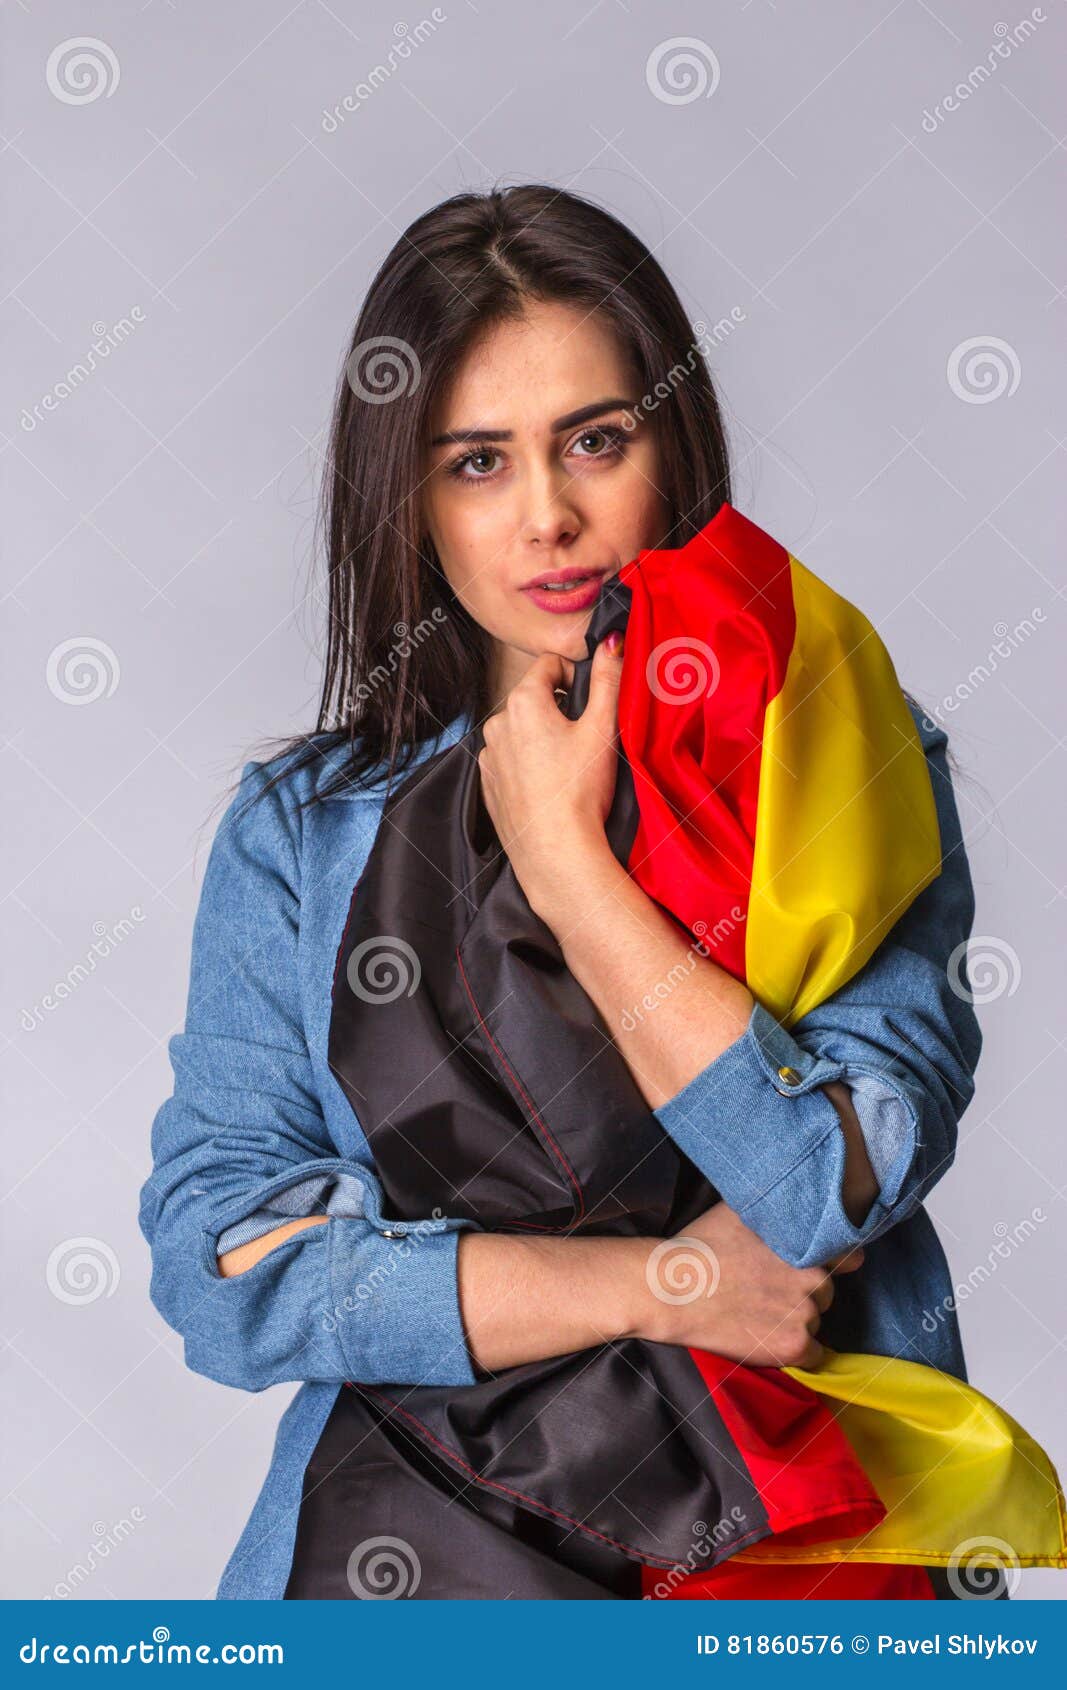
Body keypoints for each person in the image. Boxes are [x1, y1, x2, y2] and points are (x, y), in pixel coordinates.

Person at [139, 184, 998, 1601]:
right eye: (477, 462)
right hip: (401, 1569)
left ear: (676, 444)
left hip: (802, 1562)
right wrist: (659, 1285)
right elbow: (227, 1274)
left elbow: (826, 1187)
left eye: (596, 440)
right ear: (408, 499)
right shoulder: (301, 835)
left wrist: (567, 868)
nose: (549, 516)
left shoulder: (843, 758)